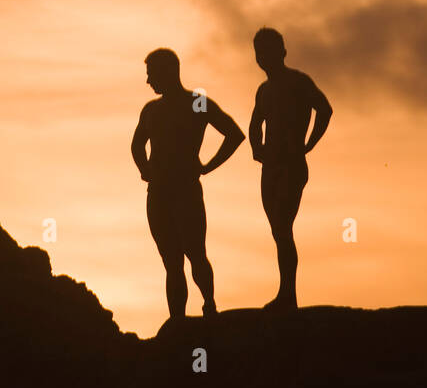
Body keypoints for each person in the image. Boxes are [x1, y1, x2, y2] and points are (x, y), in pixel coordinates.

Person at [131, 48, 244, 322]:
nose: (148, 81)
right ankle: (178, 321)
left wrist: (208, 166)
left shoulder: (196, 103)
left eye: (151, 74)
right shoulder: (151, 110)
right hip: (158, 192)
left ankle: (209, 304)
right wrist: (145, 168)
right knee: (171, 262)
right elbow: (136, 145)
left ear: (168, 72)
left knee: (195, 252)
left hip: (186, 190)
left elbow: (234, 134)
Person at [249, 27, 332, 310]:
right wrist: (256, 148)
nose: (264, 57)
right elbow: (254, 123)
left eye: (269, 50)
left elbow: (325, 109)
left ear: (282, 52)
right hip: (270, 166)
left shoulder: (298, 82)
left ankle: (288, 295)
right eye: (259, 52)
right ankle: (286, 294)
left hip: (291, 164)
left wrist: (309, 144)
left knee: (283, 228)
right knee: (278, 230)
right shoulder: (264, 90)